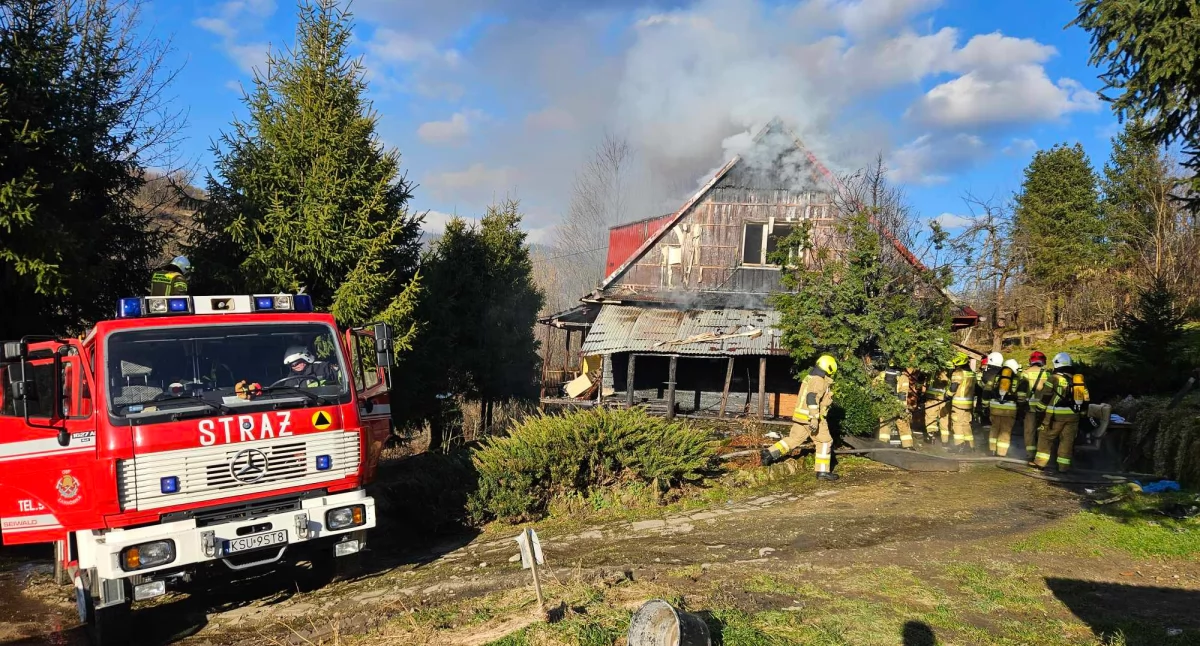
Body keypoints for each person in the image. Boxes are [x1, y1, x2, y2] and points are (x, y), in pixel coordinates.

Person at [762, 354, 839, 481]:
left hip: (801, 417)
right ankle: (823, 471)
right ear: (829, 368)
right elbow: (811, 398)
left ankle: (769, 453)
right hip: (812, 418)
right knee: (825, 442)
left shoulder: (810, 377)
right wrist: (814, 418)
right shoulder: (818, 380)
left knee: (794, 439)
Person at [1032, 352, 1089, 472]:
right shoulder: (1078, 380)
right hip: (1073, 416)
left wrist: (1039, 410)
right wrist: (1083, 414)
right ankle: (1063, 467)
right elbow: (1086, 399)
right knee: (1067, 441)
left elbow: (1046, 396)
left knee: (1046, 437)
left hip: (1055, 416)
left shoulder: (1053, 378)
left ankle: (1040, 463)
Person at [1018, 351, 1050, 459]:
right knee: (1043, 431)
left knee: (1029, 431)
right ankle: (1042, 454)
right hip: (1043, 408)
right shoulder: (1047, 374)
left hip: (1029, 408)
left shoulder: (1025, 373)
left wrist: (1021, 405)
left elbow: (1021, 391)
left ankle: (1030, 454)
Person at [875, 361, 913, 448]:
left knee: (885, 426)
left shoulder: (882, 375)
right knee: (903, 425)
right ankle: (907, 446)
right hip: (899, 406)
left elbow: (874, 387)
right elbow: (903, 394)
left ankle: (883, 446)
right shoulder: (903, 377)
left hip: (885, 405)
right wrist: (904, 408)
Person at [988, 359, 1021, 456]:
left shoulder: (995, 377)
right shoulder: (1018, 379)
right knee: (1005, 432)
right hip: (1009, 411)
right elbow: (1021, 395)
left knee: (994, 429)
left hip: (995, 408)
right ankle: (1001, 453)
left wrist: (985, 406)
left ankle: (991, 450)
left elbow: (987, 390)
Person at [948, 352, 977, 451]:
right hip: (968, 405)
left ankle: (959, 446)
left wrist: (948, 395)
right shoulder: (972, 373)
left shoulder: (958, 373)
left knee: (957, 423)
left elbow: (953, 387)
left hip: (958, 404)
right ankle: (970, 446)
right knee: (966, 424)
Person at [924, 366, 950, 444]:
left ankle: (931, 436)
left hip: (932, 398)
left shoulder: (931, 370)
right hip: (943, 399)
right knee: (944, 419)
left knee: (931, 417)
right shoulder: (947, 372)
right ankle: (945, 441)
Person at [977, 352, 1003, 429]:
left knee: (988, 425)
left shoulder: (987, 374)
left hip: (988, 404)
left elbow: (982, 389)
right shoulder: (1004, 373)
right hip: (1002, 405)